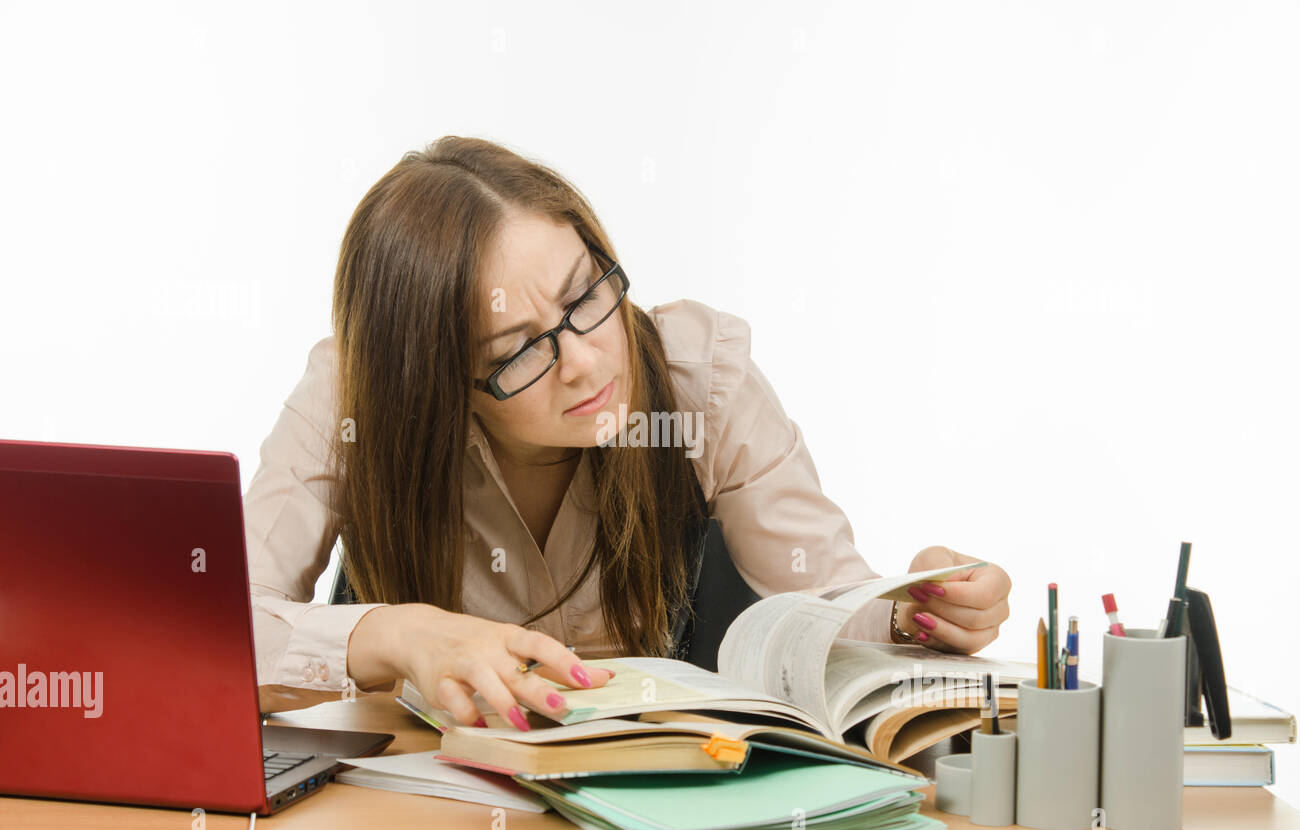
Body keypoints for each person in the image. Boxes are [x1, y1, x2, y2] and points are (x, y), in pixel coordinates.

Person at [245, 135, 1012, 726]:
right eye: (515, 352)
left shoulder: (699, 380)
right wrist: (401, 635)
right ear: (439, 386)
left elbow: (826, 603)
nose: (583, 362)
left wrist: (921, 605)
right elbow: (216, 635)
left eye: (585, 296)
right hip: (419, 818)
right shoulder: (355, 401)